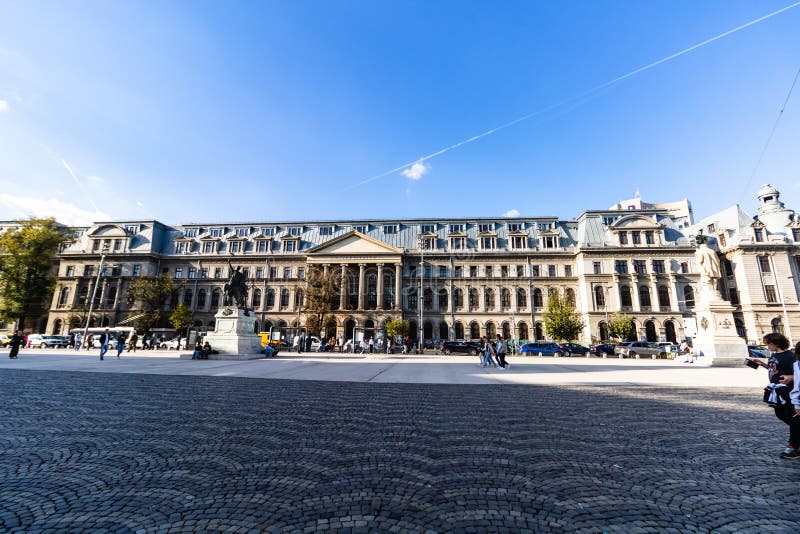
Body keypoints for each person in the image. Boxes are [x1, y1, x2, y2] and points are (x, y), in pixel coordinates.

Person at [747, 332, 795, 455]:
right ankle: (797, 431)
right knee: (780, 414)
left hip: (787, 391)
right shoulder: (774, 355)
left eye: (768, 343)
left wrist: (792, 376)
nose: (767, 346)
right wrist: (762, 364)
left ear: (775, 343)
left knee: (792, 418)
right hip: (775, 390)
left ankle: (793, 445)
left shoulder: (790, 356)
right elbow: (774, 368)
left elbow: (798, 372)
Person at [782, 342, 800, 459]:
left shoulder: (798, 365)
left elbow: (797, 386)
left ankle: (795, 449)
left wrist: (796, 403)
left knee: (796, 424)